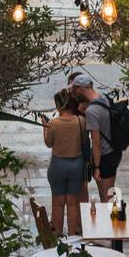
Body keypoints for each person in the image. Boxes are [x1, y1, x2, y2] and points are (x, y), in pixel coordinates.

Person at [41, 88, 86, 237]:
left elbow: (49, 143)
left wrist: (44, 127)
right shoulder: (81, 121)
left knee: (58, 203)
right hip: (76, 165)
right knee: (72, 203)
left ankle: (58, 234)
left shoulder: (53, 123)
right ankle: (73, 236)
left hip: (58, 165)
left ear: (58, 106)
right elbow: (85, 141)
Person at [69, 72, 120, 203]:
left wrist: (96, 167)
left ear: (80, 88)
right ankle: (112, 220)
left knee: (105, 196)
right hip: (114, 151)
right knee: (110, 193)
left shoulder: (92, 111)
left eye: (74, 90)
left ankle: (110, 223)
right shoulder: (103, 98)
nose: (74, 94)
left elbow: (96, 142)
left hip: (104, 157)